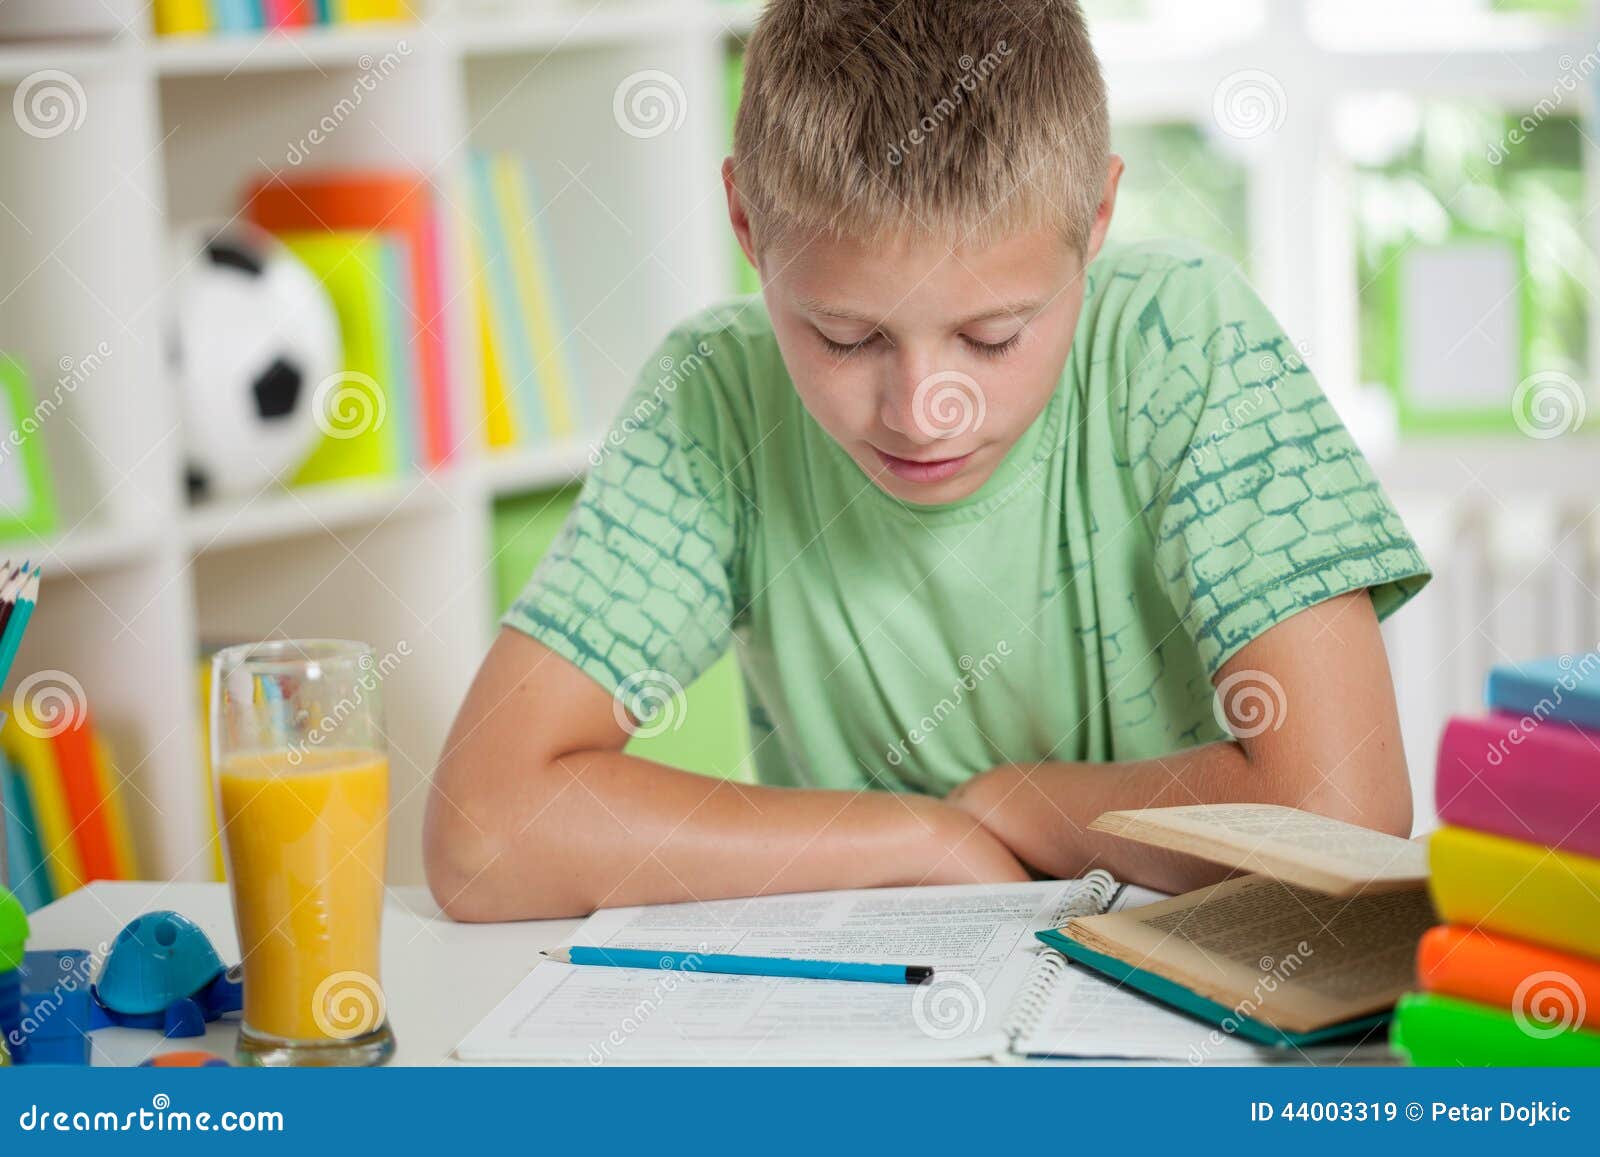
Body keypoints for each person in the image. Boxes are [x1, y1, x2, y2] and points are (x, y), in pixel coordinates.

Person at [424, 0, 1430, 921]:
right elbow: (481, 831)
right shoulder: (715, 396)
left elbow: (1339, 807)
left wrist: (1019, 801)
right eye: (846, 337)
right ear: (745, 225)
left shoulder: (1185, 339)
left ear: (1096, 224)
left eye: (993, 337)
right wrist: (921, 837)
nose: (923, 411)